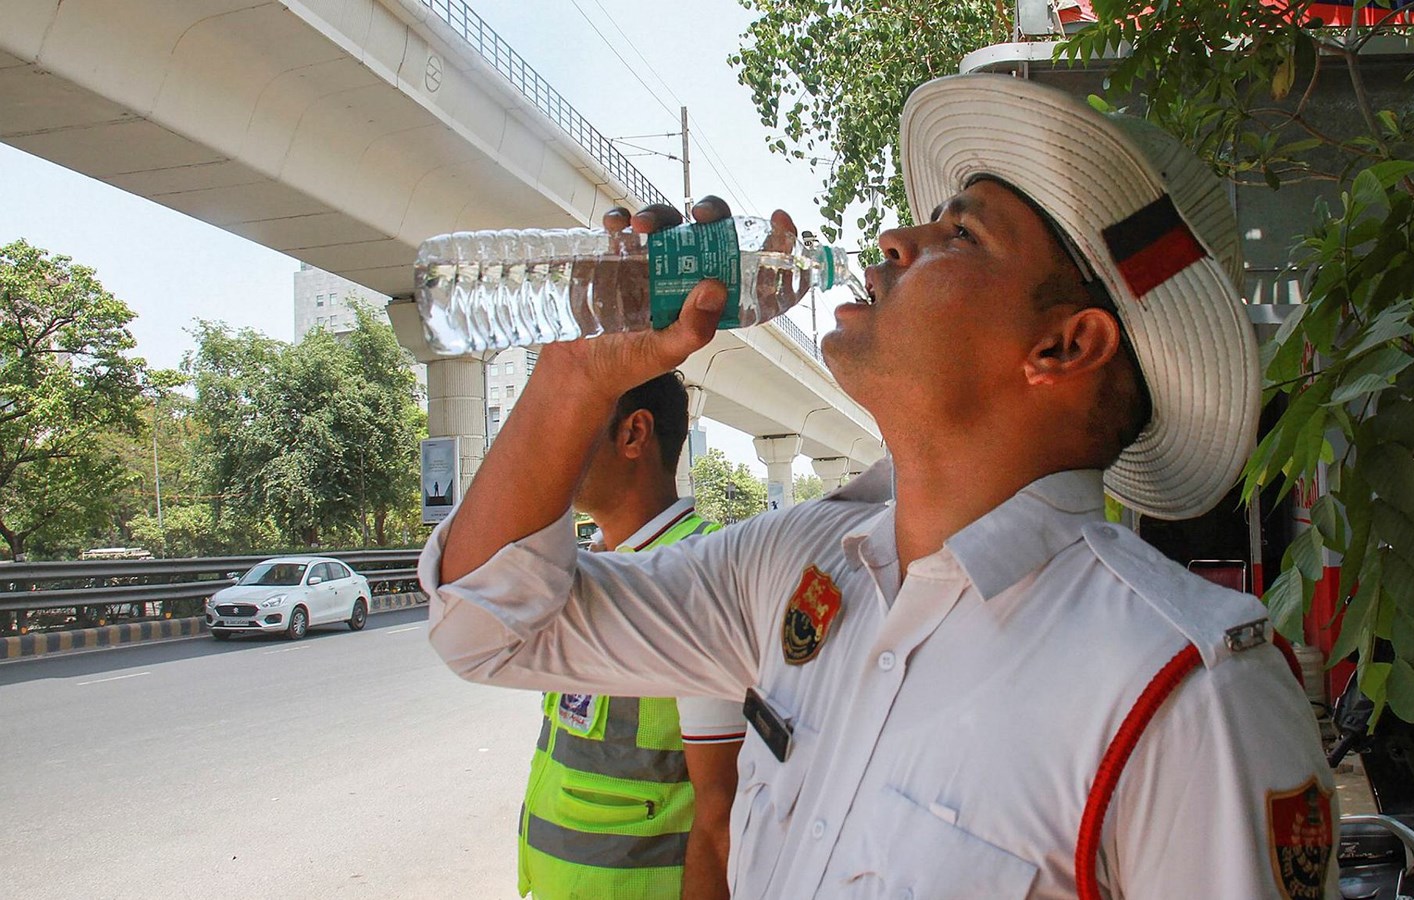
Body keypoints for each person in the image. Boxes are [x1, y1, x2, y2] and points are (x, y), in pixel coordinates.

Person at [425, 74, 1338, 899]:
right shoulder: (789, 565)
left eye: (959, 233)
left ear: (1065, 347)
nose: (893, 239)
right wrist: (578, 374)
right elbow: (487, 630)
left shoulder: (1187, 693)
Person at [515, 373, 746, 900]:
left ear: (634, 434)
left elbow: (722, 811)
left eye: (573, 423)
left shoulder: (698, 577)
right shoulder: (584, 566)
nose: (555, 445)